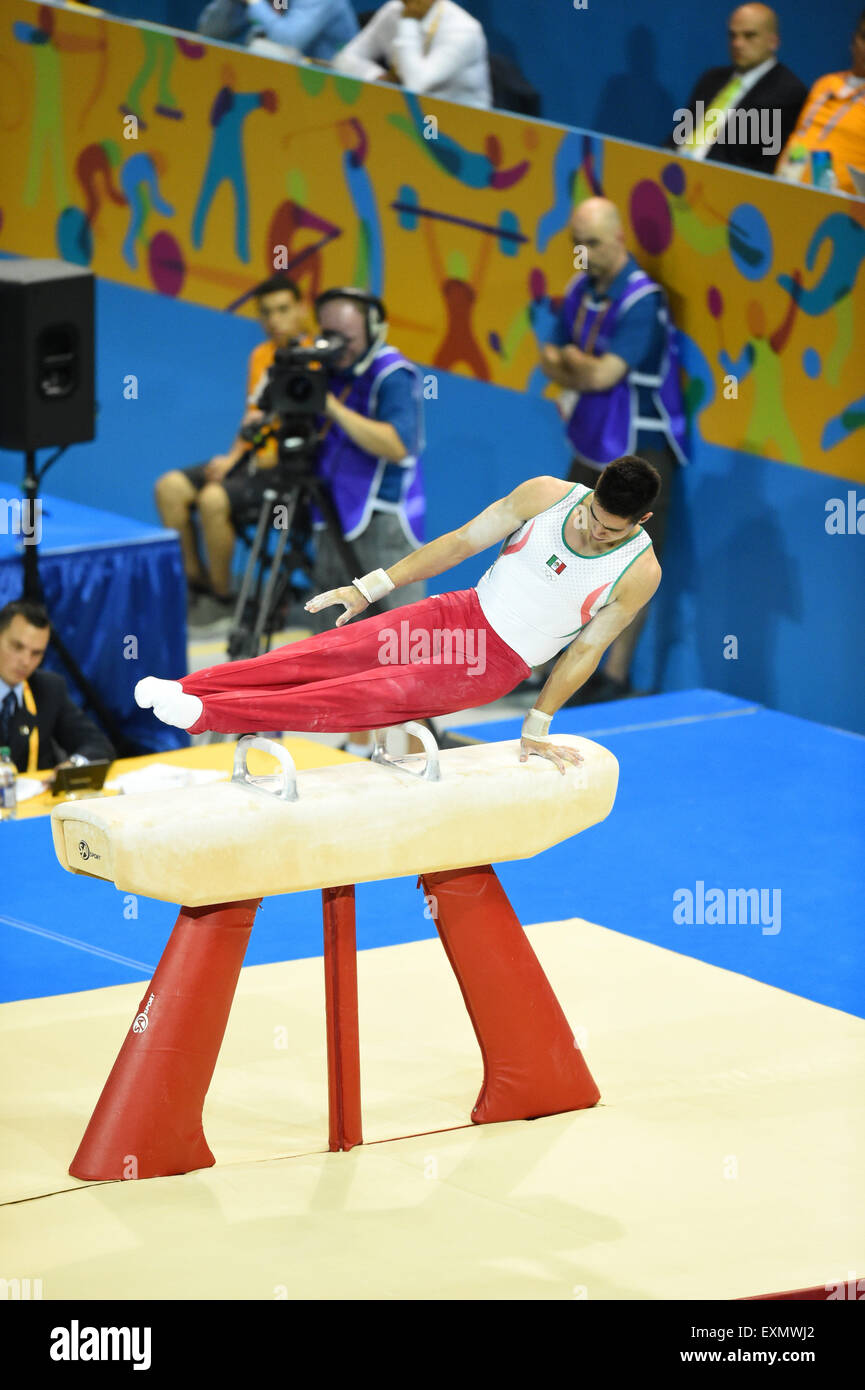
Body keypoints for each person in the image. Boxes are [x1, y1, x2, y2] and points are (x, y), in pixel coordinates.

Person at [134, 457, 662, 772]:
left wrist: (538, 722)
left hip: (490, 665)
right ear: (591, 494)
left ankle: (209, 715)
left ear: (643, 520)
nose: (597, 533)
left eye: (613, 530)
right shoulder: (546, 496)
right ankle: (191, 688)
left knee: (364, 695)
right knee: (325, 653)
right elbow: (458, 544)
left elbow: (587, 650)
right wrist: (370, 586)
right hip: (458, 613)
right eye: (595, 518)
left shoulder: (638, 573)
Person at [538, 197, 685, 702]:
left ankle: (614, 678)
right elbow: (550, 360)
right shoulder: (579, 289)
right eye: (577, 243)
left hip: (642, 452)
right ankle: (563, 662)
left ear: (620, 239)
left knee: (633, 565)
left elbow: (604, 373)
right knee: (571, 545)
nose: (584, 254)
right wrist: (576, 363)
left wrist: (576, 363)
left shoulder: (644, 300)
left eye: (594, 243)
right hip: (591, 440)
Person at [306, 285, 427, 754]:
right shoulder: (327, 371)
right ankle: (358, 737)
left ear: (374, 330)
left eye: (348, 339)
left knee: (399, 640)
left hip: (384, 520)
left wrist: (330, 407)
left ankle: (419, 748)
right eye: (329, 336)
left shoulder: (393, 374)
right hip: (331, 513)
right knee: (339, 636)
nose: (339, 348)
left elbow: (398, 444)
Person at [154, 274, 306, 629]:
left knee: (212, 499)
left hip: (288, 469)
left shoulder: (318, 357)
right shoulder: (262, 355)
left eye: (283, 310)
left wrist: (238, 461)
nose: (275, 321)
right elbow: (254, 415)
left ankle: (222, 598)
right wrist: (232, 458)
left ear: (302, 309)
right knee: (170, 488)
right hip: (251, 457)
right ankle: (196, 584)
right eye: (266, 313)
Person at [670, 4, 806, 174]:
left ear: (773, 41)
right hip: (675, 172)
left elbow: (766, 166)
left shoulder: (788, 93)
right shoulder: (711, 78)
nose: (737, 43)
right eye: (732, 35)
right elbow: (680, 136)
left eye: (749, 36)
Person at [0, 600, 114, 777]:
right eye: (17, 647)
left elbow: (98, 745)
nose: (25, 661)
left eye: (36, 653)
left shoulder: (48, 688)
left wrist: (75, 764)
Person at [332, 0, 491, 109]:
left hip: (461, 127)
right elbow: (344, 59)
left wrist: (409, 20)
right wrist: (377, 77)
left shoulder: (463, 30)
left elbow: (415, 86)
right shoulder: (393, 11)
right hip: (410, 117)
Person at [776, 11, 865, 196]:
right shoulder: (824, 83)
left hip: (839, 213)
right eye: (864, 38)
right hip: (785, 190)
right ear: (853, 41)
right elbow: (801, 136)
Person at [196, 0, 358, 62]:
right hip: (281, 87)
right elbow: (209, 33)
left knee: (265, 49)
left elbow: (288, 41)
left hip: (329, 89)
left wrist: (255, 3)